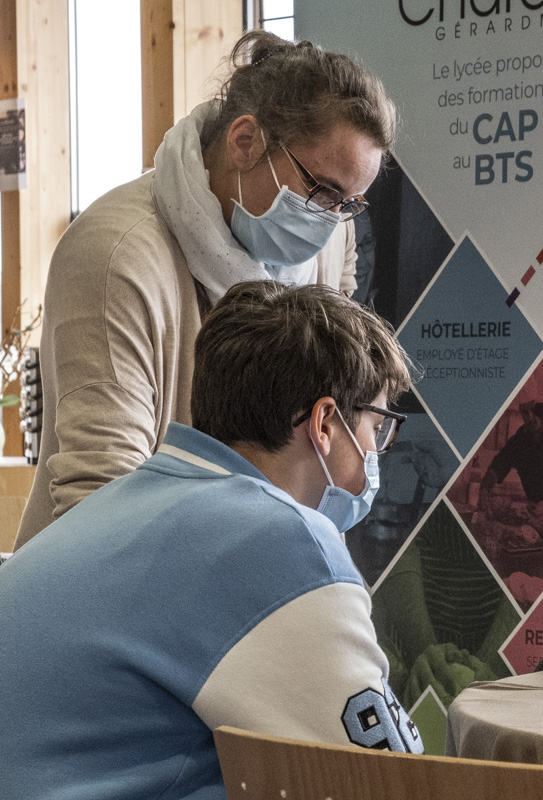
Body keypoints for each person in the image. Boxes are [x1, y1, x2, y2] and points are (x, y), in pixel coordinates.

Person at [0, 281, 422, 800]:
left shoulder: (123, 504)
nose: (377, 451)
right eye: (377, 426)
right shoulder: (283, 539)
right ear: (325, 423)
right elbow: (389, 782)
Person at [16, 30, 396, 548]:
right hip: (116, 575)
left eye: (349, 204)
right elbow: (99, 501)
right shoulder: (115, 255)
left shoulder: (329, 240)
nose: (331, 223)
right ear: (245, 141)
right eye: (323, 192)